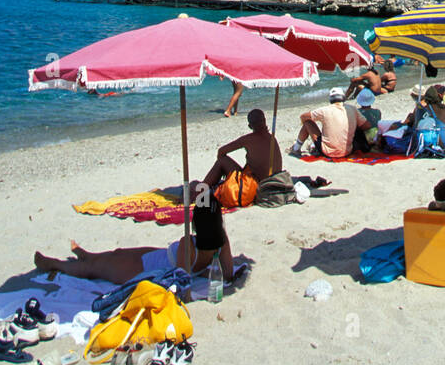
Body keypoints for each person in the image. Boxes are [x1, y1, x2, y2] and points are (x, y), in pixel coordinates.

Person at [34, 190, 242, 284]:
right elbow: (228, 273)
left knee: (95, 270)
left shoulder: (188, 242)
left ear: (197, 222)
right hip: (159, 256)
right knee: (117, 253)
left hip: (150, 268)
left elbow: (181, 278)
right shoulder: (221, 241)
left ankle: (54, 264)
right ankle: (85, 253)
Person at [200, 109, 282, 192]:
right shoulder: (272, 138)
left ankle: (201, 191)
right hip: (273, 183)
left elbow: (221, 151)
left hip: (256, 185)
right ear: (264, 120)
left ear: (250, 126)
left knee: (222, 161)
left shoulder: (248, 139)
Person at [290, 86, 368, 159]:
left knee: (308, 123)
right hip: (347, 151)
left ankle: (296, 148)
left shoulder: (324, 110)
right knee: (357, 126)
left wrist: (306, 124)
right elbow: (367, 125)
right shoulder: (352, 109)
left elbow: (303, 116)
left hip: (327, 152)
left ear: (331, 98)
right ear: (343, 98)